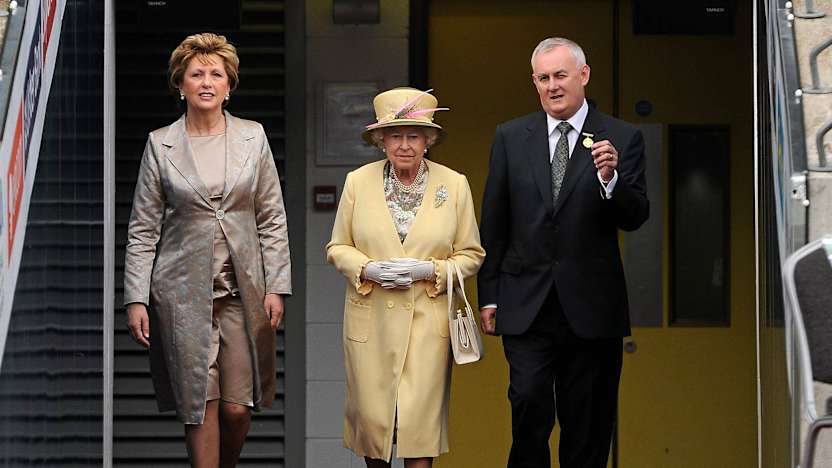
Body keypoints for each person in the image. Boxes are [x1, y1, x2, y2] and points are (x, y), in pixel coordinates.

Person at [478, 37, 649, 468]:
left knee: (588, 426)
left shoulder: (622, 138)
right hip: (526, 302)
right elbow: (494, 220)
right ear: (534, 82)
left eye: (560, 75)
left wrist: (612, 180)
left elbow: (635, 216)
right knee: (529, 407)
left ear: (584, 76)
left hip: (591, 310)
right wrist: (490, 293)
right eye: (543, 78)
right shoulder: (511, 137)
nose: (552, 86)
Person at [123, 33, 291, 468]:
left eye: (216, 74)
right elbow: (143, 229)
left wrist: (277, 286)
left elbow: (272, 217)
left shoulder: (253, 138)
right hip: (179, 295)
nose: (206, 82)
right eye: (196, 74)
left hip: (241, 293)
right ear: (180, 84)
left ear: (229, 86)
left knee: (237, 408)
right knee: (200, 406)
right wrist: (136, 297)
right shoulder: (160, 144)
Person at [327, 87, 485, 468]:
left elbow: (472, 255)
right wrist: (366, 268)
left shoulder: (455, 184)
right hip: (371, 321)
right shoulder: (357, 182)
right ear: (381, 140)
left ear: (428, 140)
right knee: (374, 430)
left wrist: (430, 270)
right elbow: (336, 247)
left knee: (420, 432)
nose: (404, 144)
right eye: (395, 135)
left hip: (427, 325)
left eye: (413, 135)